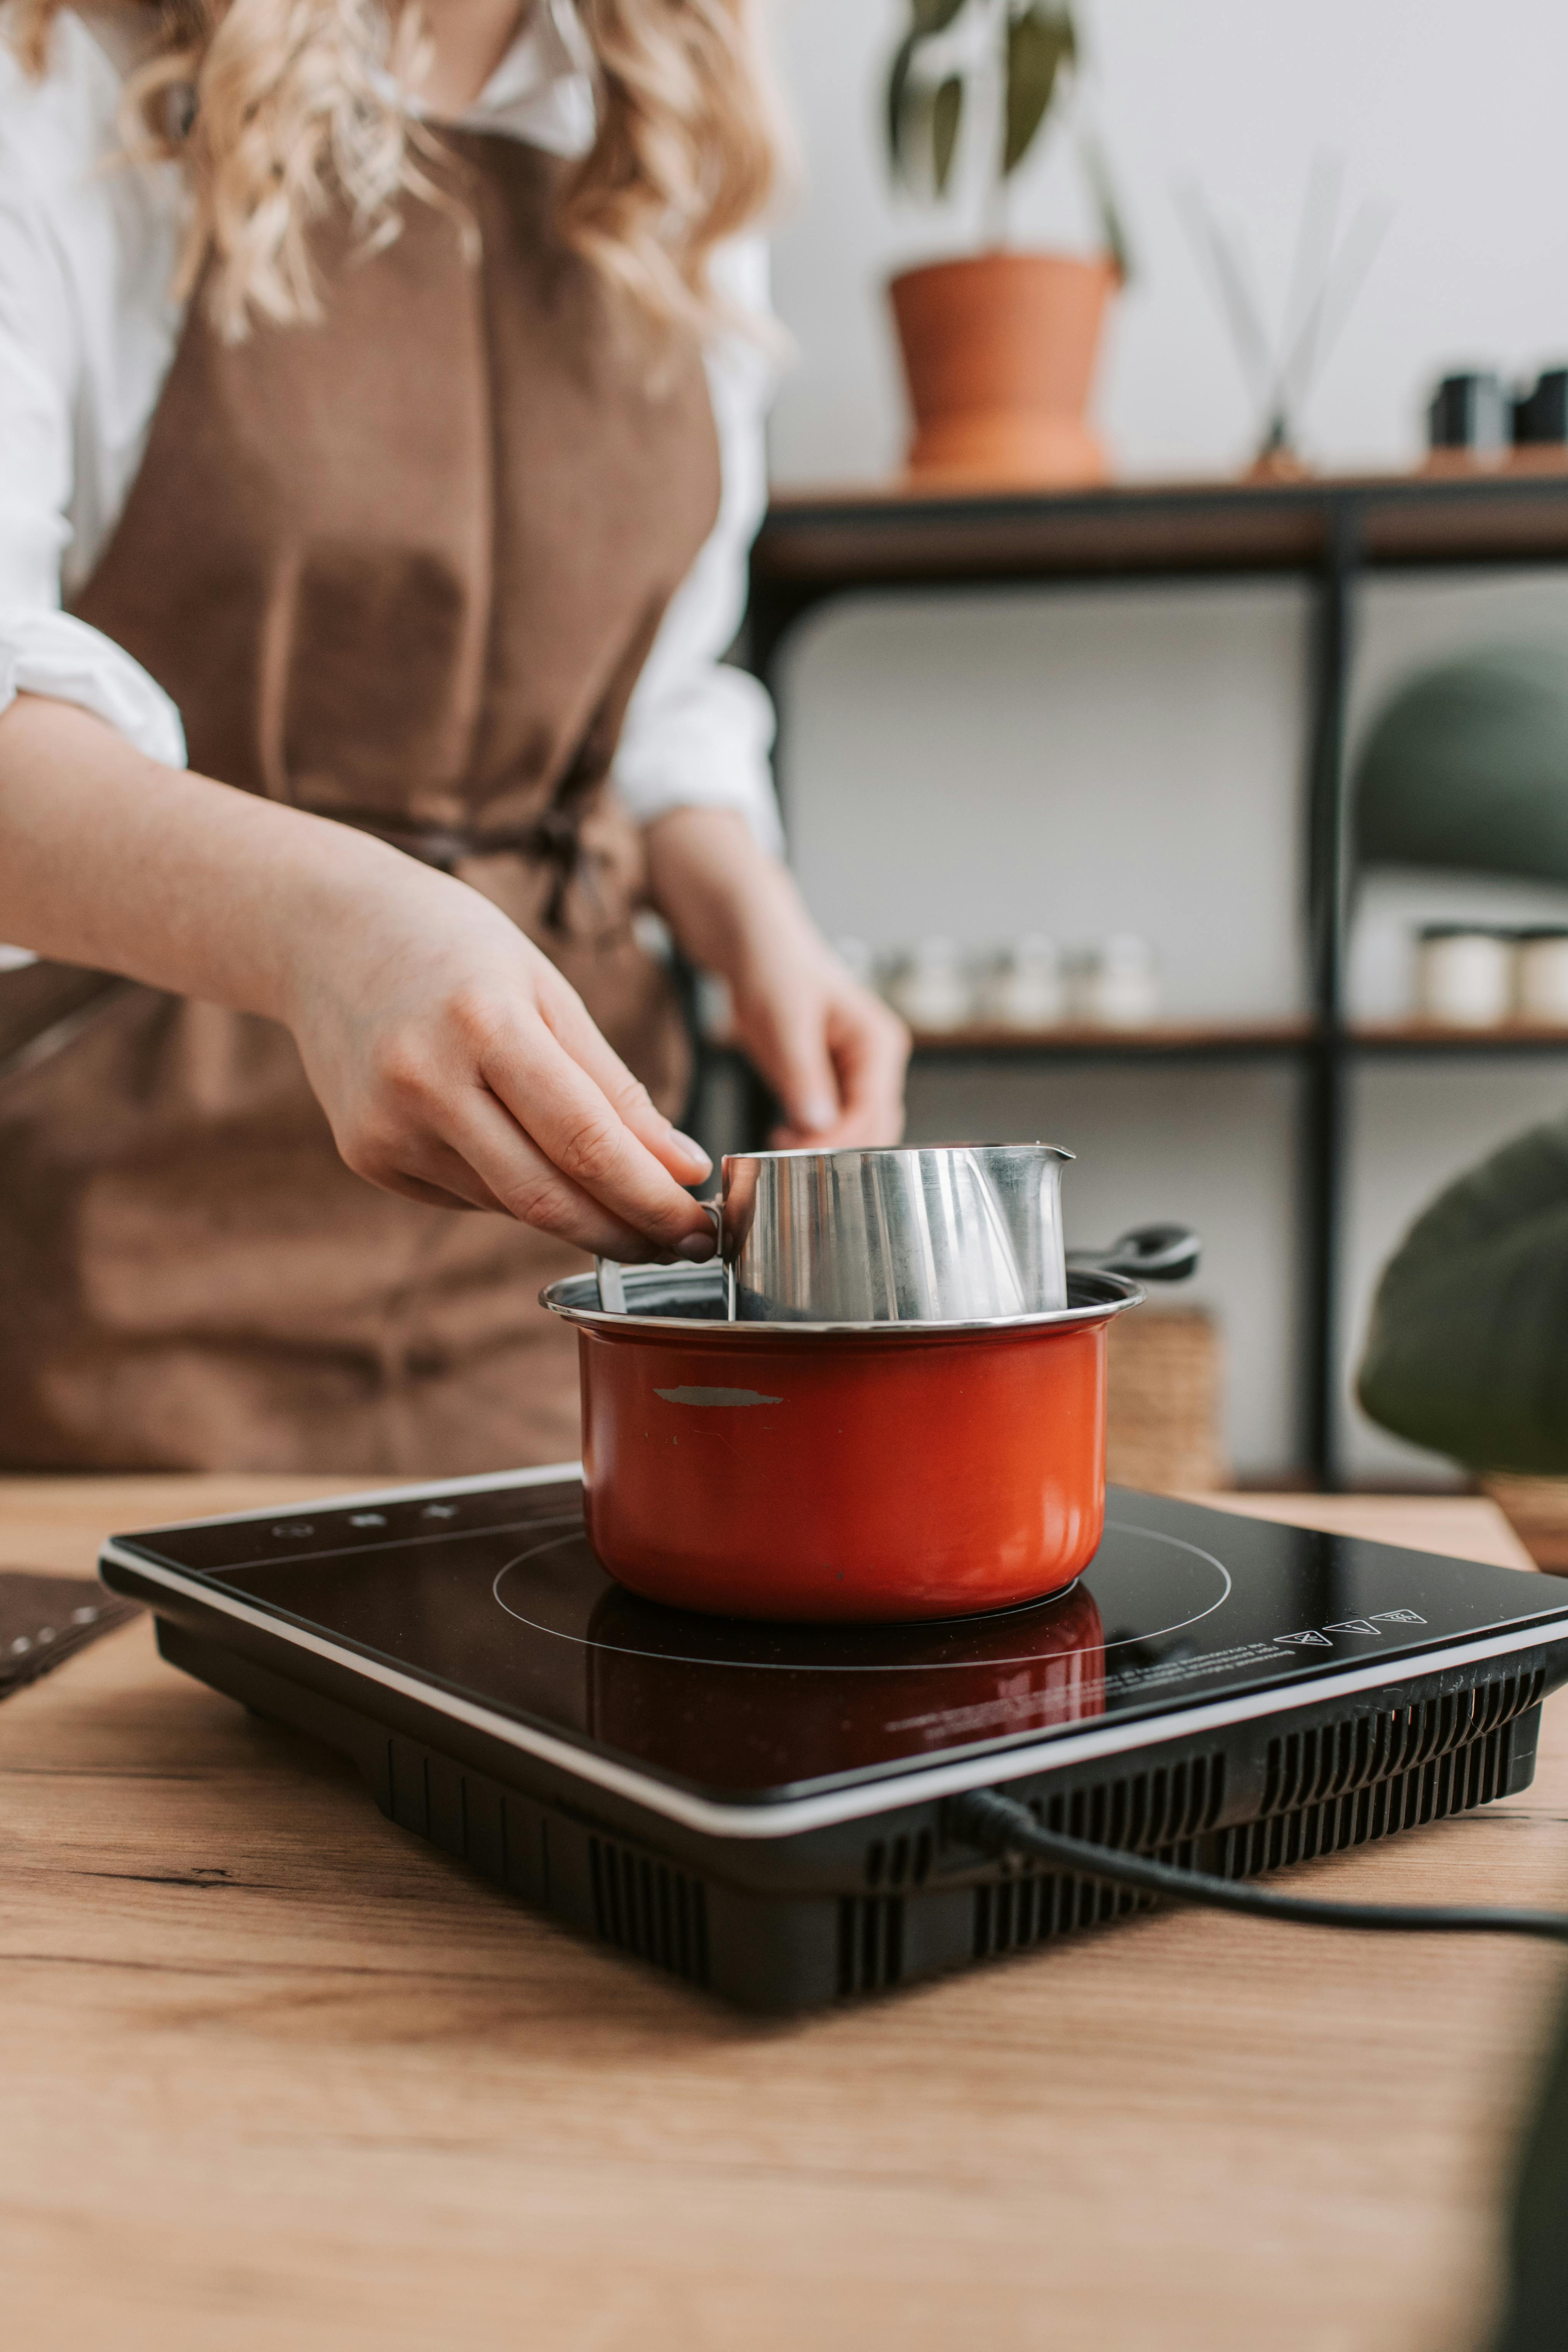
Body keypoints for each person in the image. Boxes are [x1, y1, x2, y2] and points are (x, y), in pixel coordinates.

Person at [0, 0, 910, 1474]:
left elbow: (653, 697)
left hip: (552, 1253)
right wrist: (334, 930)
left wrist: (765, 939)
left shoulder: (673, 111)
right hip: (129, 1226)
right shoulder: (64, 73)